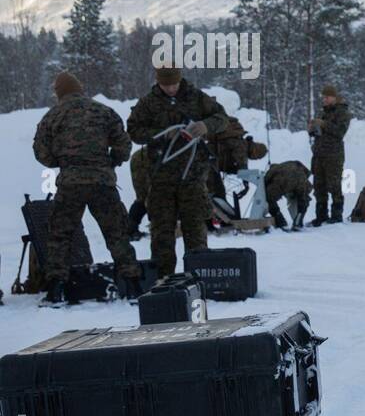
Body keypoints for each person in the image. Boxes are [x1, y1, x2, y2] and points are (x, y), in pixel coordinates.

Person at [32, 71, 143, 304]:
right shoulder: (104, 111)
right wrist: (111, 162)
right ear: (80, 89)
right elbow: (124, 144)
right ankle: (132, 285)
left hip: (70, 183)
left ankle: (56, 290)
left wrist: (61, 162)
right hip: (102, 182)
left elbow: (41, 153)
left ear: (59, 93)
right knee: (117, 233)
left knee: (60, 235)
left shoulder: (52, 116)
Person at [126, 66, 230, 278]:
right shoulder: (148, 102)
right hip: (160, 178)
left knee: (196, 229)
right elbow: (133, 131)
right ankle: (164, 280)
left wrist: (205, 125)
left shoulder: (197, 97)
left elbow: (222, 118)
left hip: (193, 177)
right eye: (166, 85)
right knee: (161, 232)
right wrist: (161, 135)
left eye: (174, 84)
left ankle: (200, 277)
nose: (171, 89)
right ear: (159, 83)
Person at [309, 85, 351, 226]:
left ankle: (336, 216)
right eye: (323, 97)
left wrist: (324, 124)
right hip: (319, 154)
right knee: (319, 186)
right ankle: (321, 216)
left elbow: (339, 132)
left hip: (333, 155)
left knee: (334, 186)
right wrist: (312, 129)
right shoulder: (324, 112)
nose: (324, 100)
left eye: (327, 97)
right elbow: (320, 132)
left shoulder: (342, 112)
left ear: (334, 97)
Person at [263, 160, 313, 231]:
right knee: (303, 200)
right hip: (300, 181)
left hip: (282, 182)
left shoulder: (274, 169)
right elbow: (308, 179)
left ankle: (280, 221)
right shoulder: (295, 165)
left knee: (269, 198)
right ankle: (298, 222)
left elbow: (265, 180)